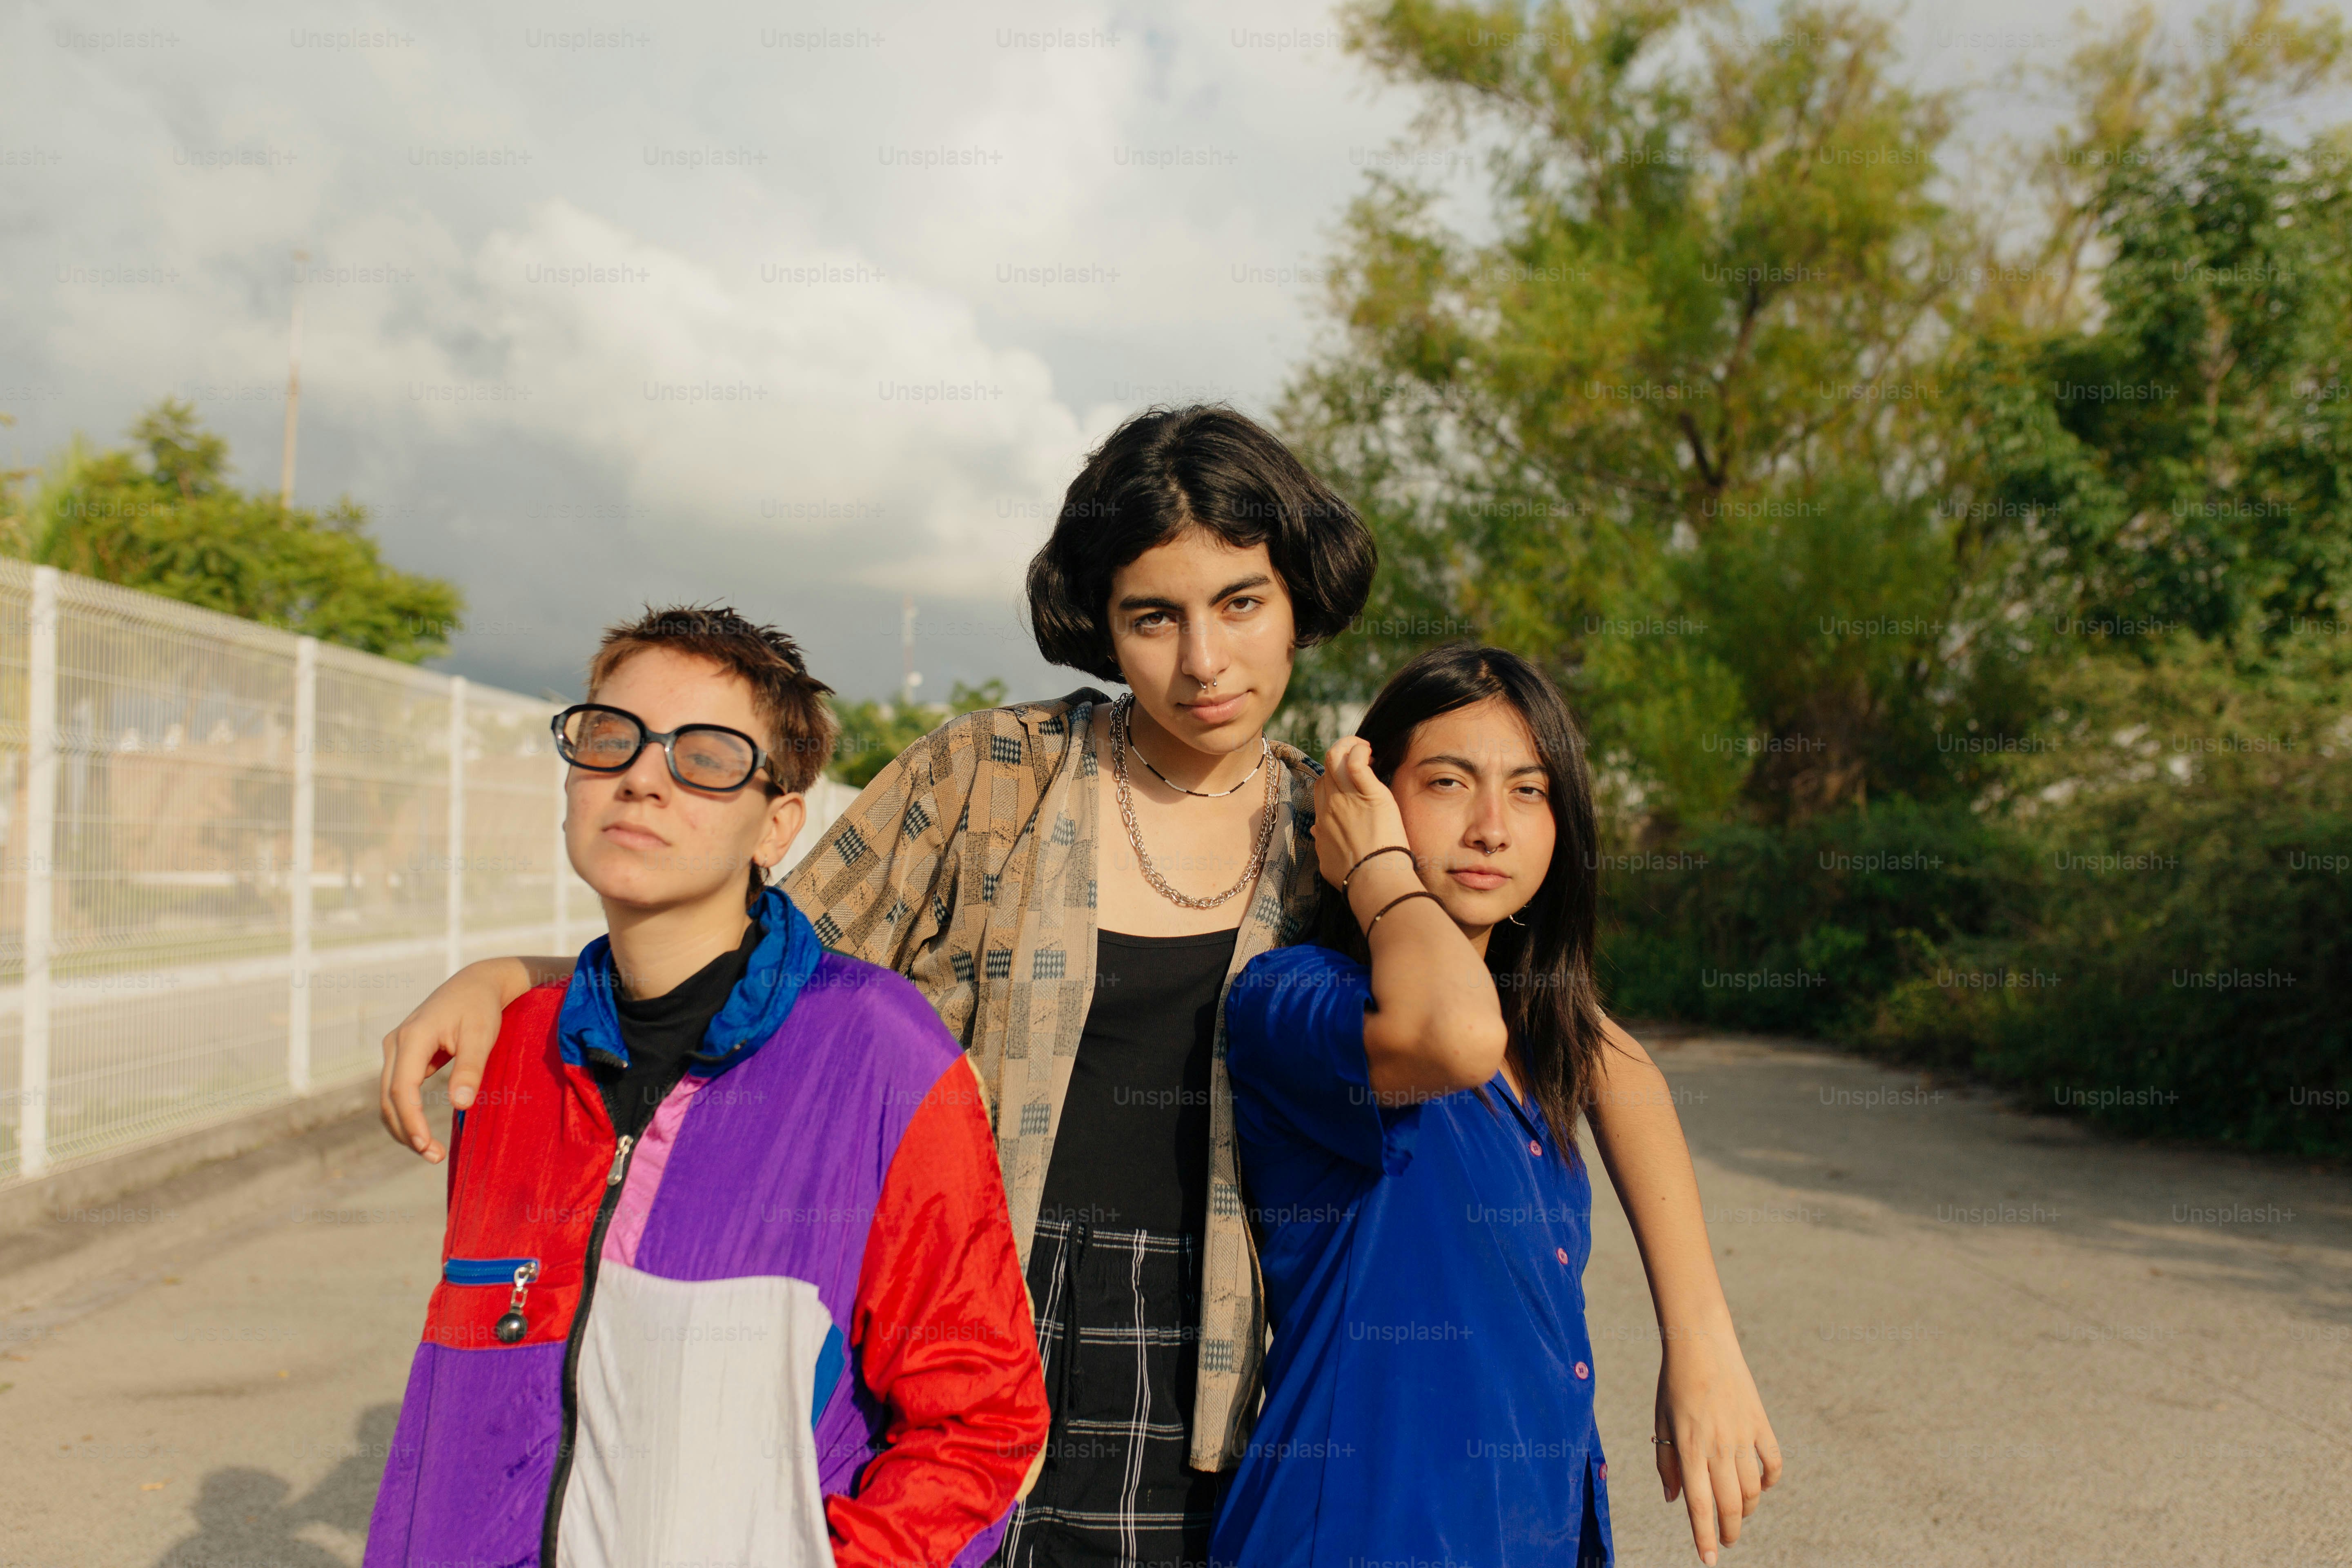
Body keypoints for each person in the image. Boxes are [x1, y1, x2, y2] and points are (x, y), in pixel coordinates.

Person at [376, 405, 1379, 1567]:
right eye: (1154, 616)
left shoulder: (1336, 836)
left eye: (1241, 603)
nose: (1203, 661)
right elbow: (749, 953)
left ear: (1301, 594)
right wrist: (513, 976)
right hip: (957, 1315)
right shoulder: (988, 776)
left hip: (1215, 1345)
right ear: (1104, 625)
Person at [364, 607, 1050, 1568]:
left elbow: (982, 1425)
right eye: (612, 739)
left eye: (708, 756)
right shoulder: (511, 1049)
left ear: (777, 825)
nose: (643, 777)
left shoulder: (879, 1053)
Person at [1212, 645, 1782, 1568]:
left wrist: (1703, 1342)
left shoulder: (1539, 1032)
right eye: (1448, 782)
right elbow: (1450, 1036)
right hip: (1360, 1538)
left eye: (1530, 792)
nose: (1492, 828)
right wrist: (1378, 869)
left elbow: (1624, 1072)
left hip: (1538, 1530)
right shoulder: (1297, 999)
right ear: (1374, 803)